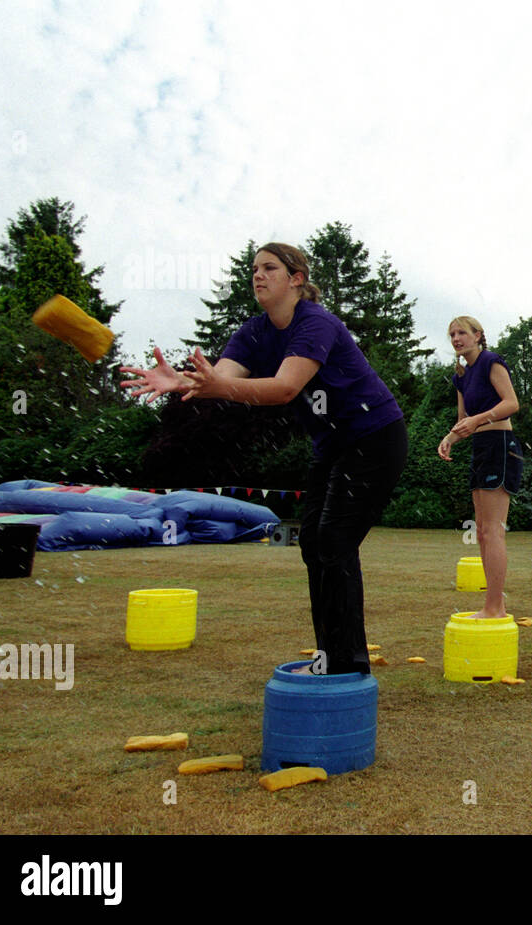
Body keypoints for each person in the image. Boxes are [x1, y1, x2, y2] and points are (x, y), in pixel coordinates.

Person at [120, 242, 408, 675]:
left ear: (296, 279)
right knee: (313, 543)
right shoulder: (254, 333)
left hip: (375, 436)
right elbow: (222, 378)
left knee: (333, 542)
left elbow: (284, 388)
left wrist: (218, 386)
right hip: (331, 446)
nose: (257, 275)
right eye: (254, 268)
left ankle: (348, 664)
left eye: (269, 268)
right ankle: (331, 654)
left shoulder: (316, 324)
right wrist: (183, 381)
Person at [438, 316, 521, 619]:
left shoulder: (491, 362)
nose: (456, 338)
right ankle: (494, 604)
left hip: (500, 445)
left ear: (478, 336)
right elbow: (464, 421)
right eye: (452, 334)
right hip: (480, 448)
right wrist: (449, 438)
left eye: (462, 332)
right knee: (483, 533)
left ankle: (494, 607)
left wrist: (478, 419)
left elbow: (511, 403)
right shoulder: (461, 375)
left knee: (493, 530)